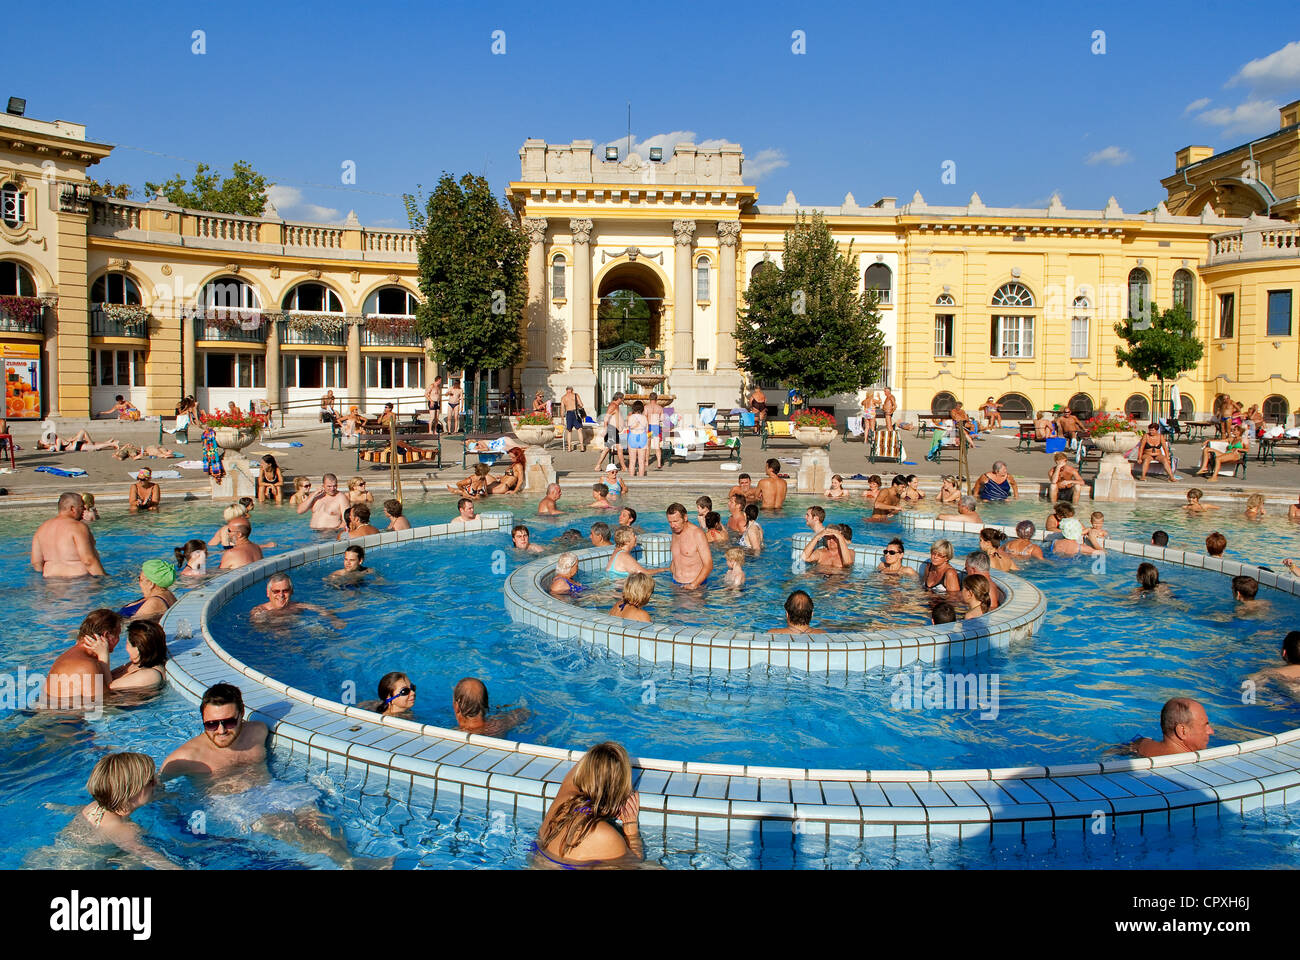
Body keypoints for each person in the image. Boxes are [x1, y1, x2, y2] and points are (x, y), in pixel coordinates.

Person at [161, 683, 371, 867]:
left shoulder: (257, 731)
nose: (221, 730)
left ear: (241, 713)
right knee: (287, 826)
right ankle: (348, 864)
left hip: (273, 789)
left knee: (323, 823)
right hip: (235, 803)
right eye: (211, 724)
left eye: (229, 722)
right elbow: (151, 786)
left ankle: (351, 859)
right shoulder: (186, 758)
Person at [62, 753, 178, 870]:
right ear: (131, 792)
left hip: (66, 856)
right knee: (135, 862)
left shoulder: (95, 806)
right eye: (151, 781)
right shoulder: (123, 829)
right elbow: (149, 857)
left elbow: (75, 810)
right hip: (85, 866)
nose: (157, 782)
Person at [534, 741, 641, 868]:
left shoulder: (564, 797)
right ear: (619, 788)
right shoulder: (605, 835)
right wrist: (631, 829)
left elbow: (584, 765)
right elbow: (635, 864)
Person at [43, 609, 122, 708]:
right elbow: (105, 704)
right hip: (62, 720)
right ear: (106, 636)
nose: (118, 640)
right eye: (118, 635)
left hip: (49, 713)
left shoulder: (70, 654)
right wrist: (104, 657)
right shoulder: (87, 665)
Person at [32, 492, 105, 578]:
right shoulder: (78, 527)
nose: (84, 510)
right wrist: (104, 579)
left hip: (51, 583)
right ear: (72, 509)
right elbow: (88, 560)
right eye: (81, 507)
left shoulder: (41, 529)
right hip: (79, 581)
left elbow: (36, 562)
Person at [1132, 698, 1214, 758]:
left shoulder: (1142, 744)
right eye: (1205, 725)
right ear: (1182, 731)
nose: (1211, 731)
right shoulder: (1189, 764)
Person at [249, 573, 343, 626]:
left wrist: (334, 619)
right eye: (276, 591)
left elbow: (321, 609)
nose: (281, 595)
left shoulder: (297, 606)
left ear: (292, 591)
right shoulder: (260, 611)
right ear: (268, 593)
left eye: (285, 591)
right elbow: (260, 627)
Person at [109, 620, 168, 692]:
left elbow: (102, 689)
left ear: (138, 648)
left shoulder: (150, 675)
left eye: (127, 643)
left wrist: (102, 656)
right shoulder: (137, 664)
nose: (126, 648)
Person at [667, 502, 712, 588]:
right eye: (670, 522)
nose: (673, 525)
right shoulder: (675, 530)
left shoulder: (697, 534)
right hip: (675, 583)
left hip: (695, 586)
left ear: (685, 517)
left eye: (676, 521)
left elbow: (709, 564)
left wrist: (693, 585)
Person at [594, 397, 624, 472]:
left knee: (613, 448)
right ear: (619, 398)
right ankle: (598, 465)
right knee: (611, 448)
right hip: (611, 430)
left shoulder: (615, 406)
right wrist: (605, 429)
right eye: (622, 399)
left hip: (614, 430)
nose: (622, 401)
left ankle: (623, 467)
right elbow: (606, 417)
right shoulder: (613, 405)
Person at [37, 428, 120, 453]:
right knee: (94, 446)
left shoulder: (58, 440)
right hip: (76, 445)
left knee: (95, 447)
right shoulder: (57, 440)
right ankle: (109, 443)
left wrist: (50, 449)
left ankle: (113, 444)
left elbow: (58, 450)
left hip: (76, 446)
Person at [624, 400, 650, 477]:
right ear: (642, 408)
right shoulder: (644, 418)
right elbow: (647, 429)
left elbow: (627, 427)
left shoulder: (630, 417)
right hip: (642, 437)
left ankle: (631, 479)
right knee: (641, 462)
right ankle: (641, 480)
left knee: (632, 461)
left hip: (632, 437)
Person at [561, 386, 586, 453]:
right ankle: (582, 447)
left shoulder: (563, 397)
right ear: (572, 390)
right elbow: (581, 404)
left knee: (569, 431)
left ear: (566, 390)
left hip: (568, 414)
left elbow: (562, 409)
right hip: (575, 413)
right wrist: (577, 405)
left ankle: (569, 448)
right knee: (579, 430)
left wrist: (562, 419)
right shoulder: (575, 395)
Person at [645, 392, 665, 469]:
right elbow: (662, 419)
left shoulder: (646, 407)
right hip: (656, 426)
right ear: (656, 399)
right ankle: (659, 463)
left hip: (649, 427)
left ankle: (646, 462)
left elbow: (645, 417)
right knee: (657, 446)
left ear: (649, 399)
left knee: (648, 446)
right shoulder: (660, 408)